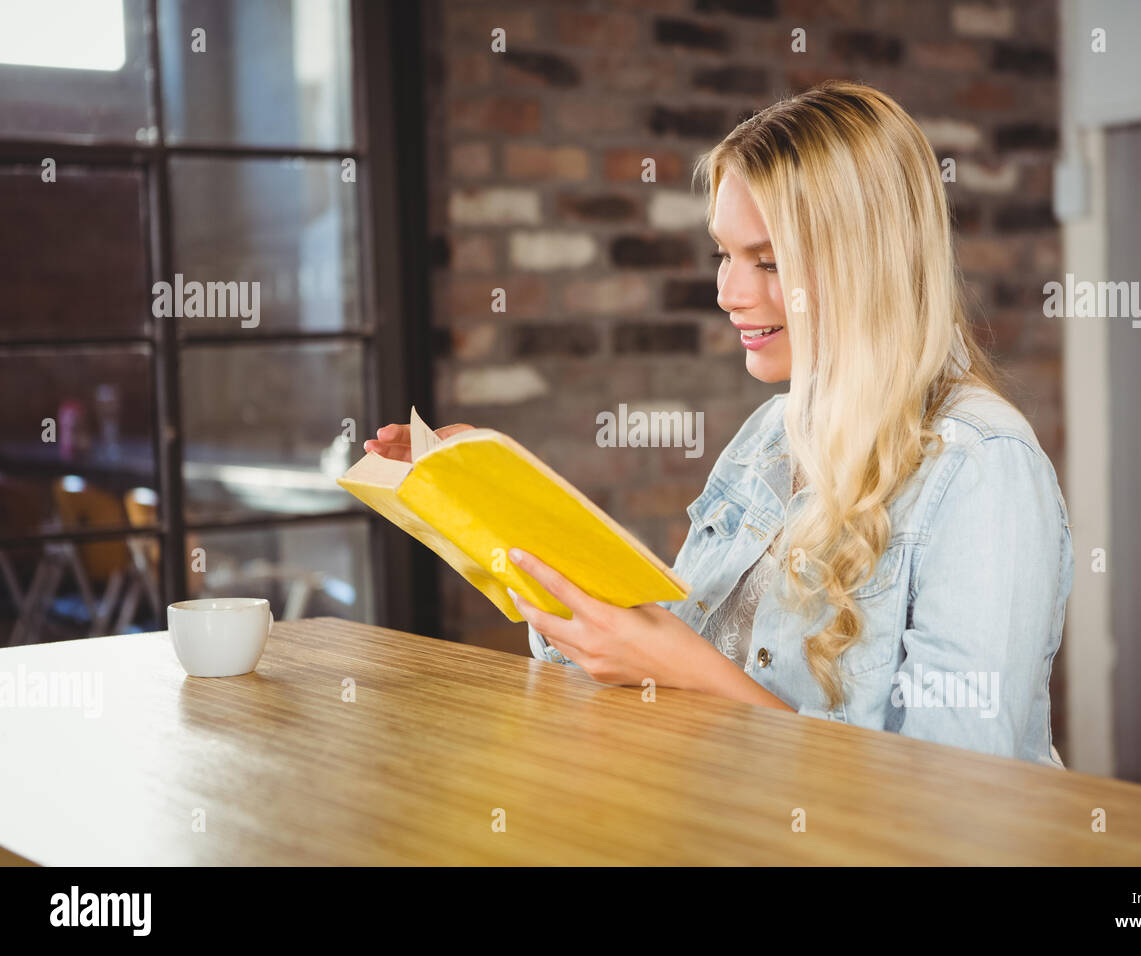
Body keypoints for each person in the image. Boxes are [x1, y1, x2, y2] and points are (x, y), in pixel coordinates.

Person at [366, 81, 1073, 767]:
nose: (728, 294)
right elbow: (663, 663)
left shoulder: (983, 468)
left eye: (767, 262)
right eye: (724, 255)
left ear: (871, 268)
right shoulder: (770, 436)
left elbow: (959, 800)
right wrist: (503, 510)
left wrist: (684, 668)